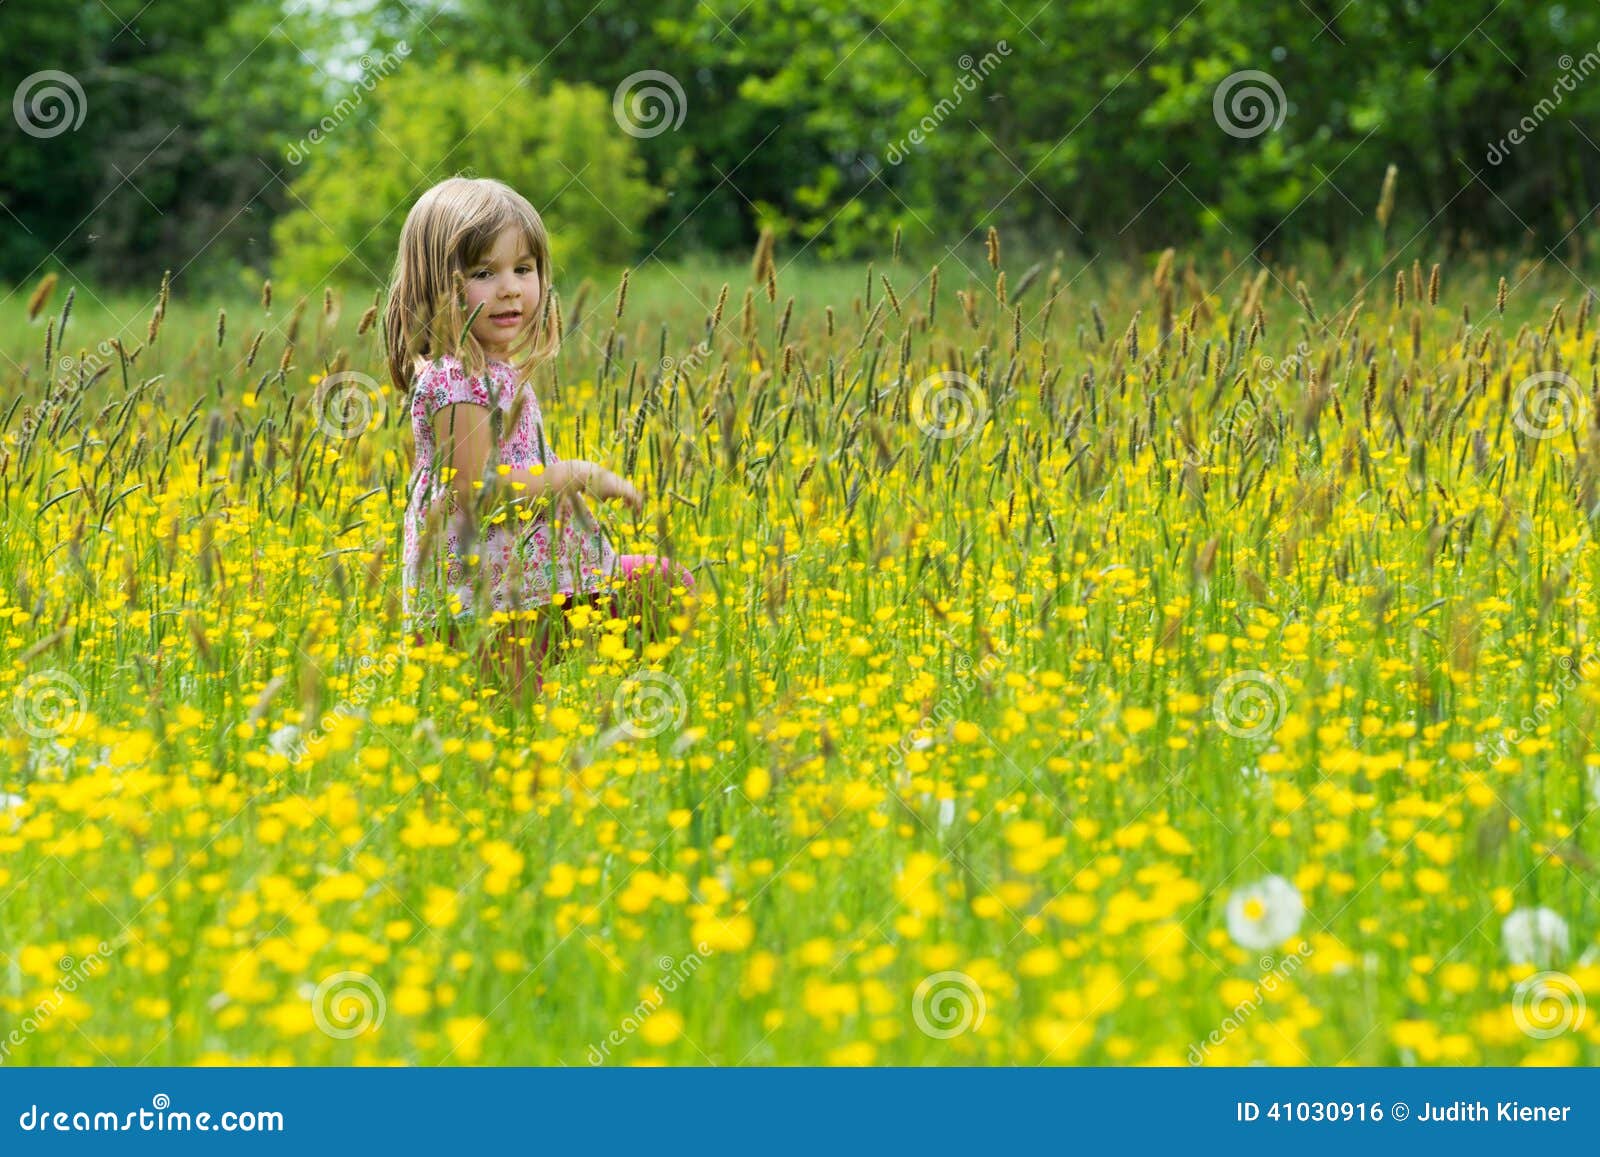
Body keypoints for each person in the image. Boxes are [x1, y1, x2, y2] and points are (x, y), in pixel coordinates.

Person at [382, 175, 694, 695]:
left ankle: (608, 698)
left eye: (523, 269)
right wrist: (575, 475)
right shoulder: (455, 381)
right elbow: (478, 493)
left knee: (664, 588)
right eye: (484, 272)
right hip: (482, 604)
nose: (510, 288)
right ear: (437, 284)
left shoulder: (496, 370)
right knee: (515, 726)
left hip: (530, 587)